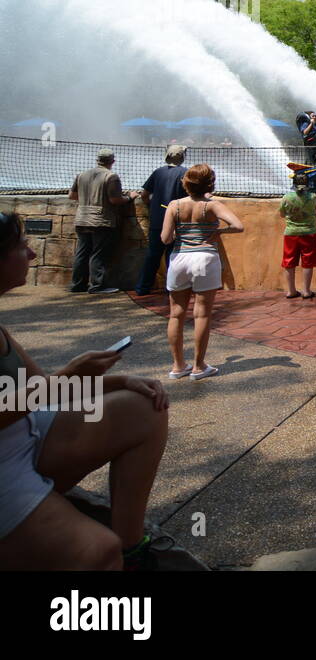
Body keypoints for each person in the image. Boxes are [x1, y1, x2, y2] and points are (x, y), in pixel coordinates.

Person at [0, 212, 171, 570]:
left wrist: (120, 381)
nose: (32, 255)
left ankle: (132, 546)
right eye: (21, 247)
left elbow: (41, 388)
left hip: (27, 433)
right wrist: (71, 371)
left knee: (144, 406)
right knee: (97, 553)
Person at [161, 164, 244, 380]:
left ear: (186, 183)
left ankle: (178, 366)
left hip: (179, 259)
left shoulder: (174, 205)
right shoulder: (212, 206)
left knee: (176, 314)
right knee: (202, 313)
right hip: (205, 259)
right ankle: (199, 366)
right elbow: (238, 226)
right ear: (210, 184)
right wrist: (218, 232)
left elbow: (165, 238)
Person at [69, 148, 138, 294]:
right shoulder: (111, 176)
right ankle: (97, 286)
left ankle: (77, 285)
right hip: (101, 220)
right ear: (112, 161)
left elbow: (72, 196)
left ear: (97, 160)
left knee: (81, 253)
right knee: (98, 254)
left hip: (82, 218)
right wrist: (130, 197)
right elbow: (115, 199)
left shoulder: (81, 175)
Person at [134, 145, 187, 295]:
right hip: (177, 221)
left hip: (157, 220)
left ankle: (142, 288)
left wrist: (152, 206)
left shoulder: (158, 172)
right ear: (182, 156)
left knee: (153, 255)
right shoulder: (185, 173)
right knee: (173, 255)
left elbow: (145, 194)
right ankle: (172, 288)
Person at [279, 170, 316, 300]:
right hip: (310, 233)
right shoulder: (313, 197)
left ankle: (291, 291)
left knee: (289, 261)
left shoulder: (286, 197)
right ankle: (306, 291)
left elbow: (282, 214)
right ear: (308, 184)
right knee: (308, 262)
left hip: (291, 234)